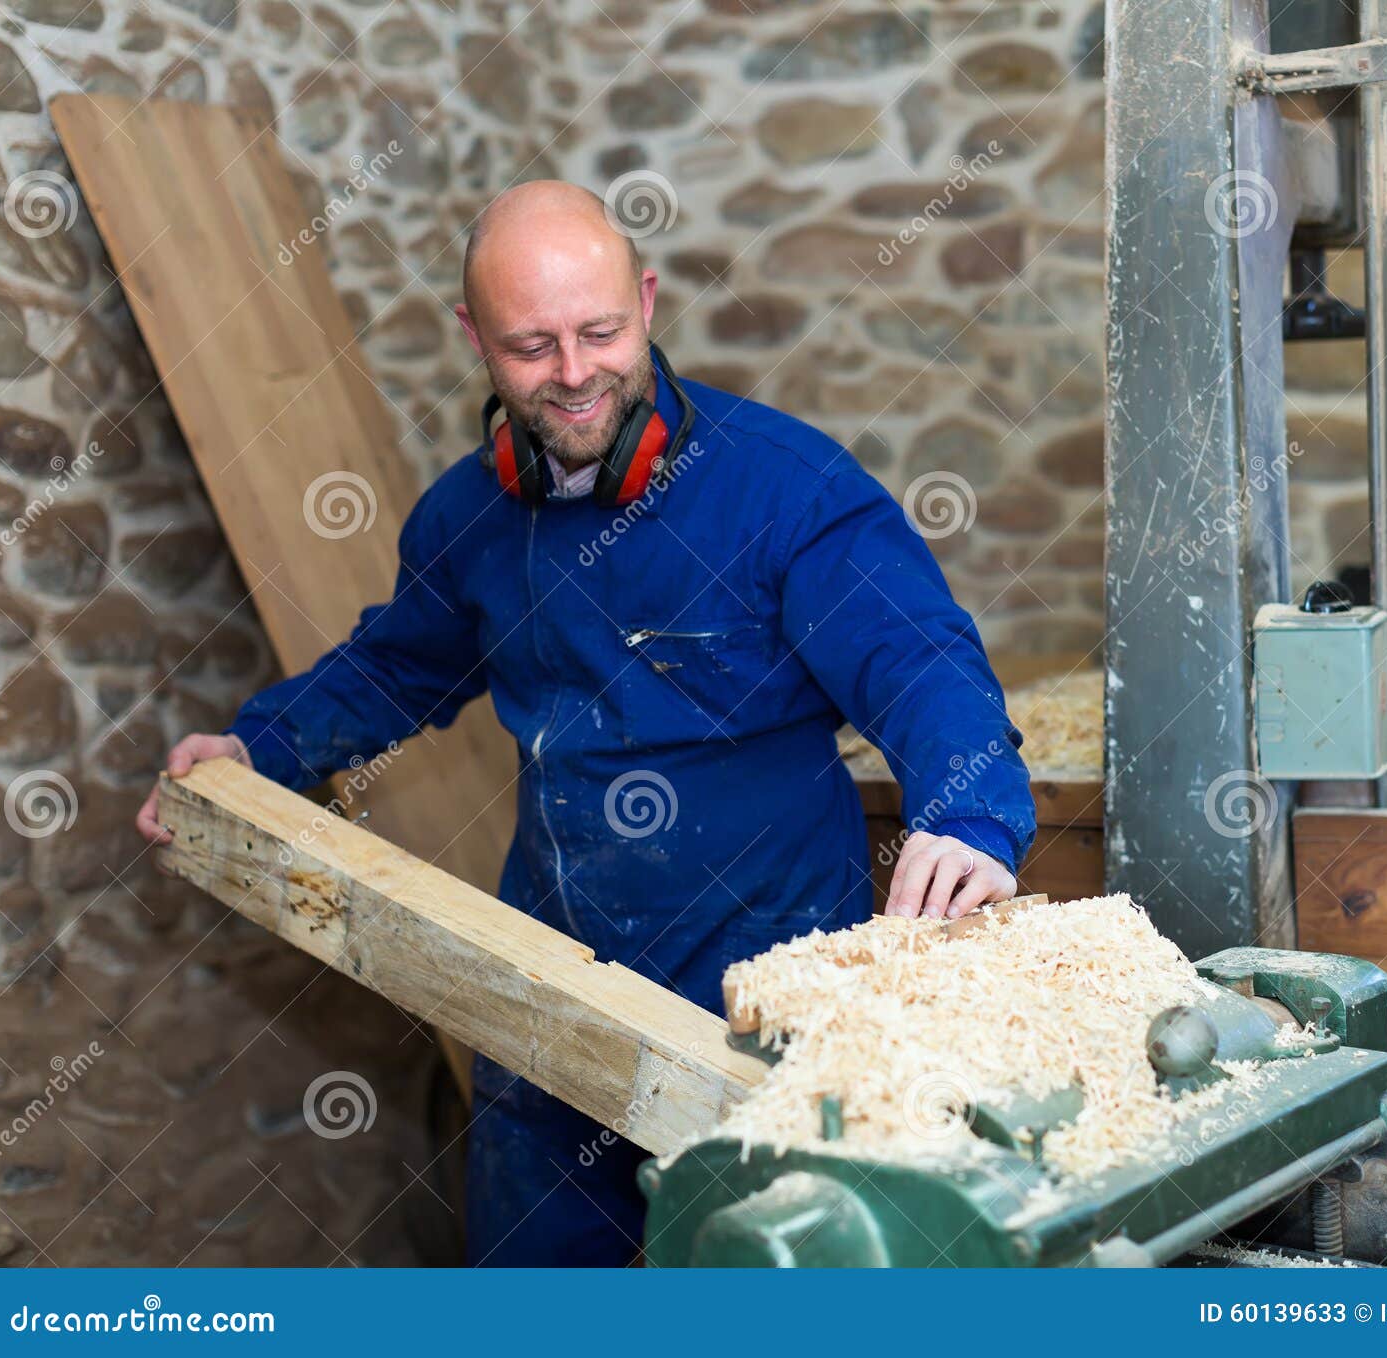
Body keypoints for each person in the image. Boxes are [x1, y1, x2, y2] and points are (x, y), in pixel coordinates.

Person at [136, 180, 1037, 1266]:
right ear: (473, 336)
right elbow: (393, 667)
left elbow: (918, 660)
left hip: (769, 1009)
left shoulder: (785, 492)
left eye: (600, 332)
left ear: (647, 303)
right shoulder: (466, 519)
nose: (572, 372)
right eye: (530, 345)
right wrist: (258, 749)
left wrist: (968, 814)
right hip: (552, 1005)